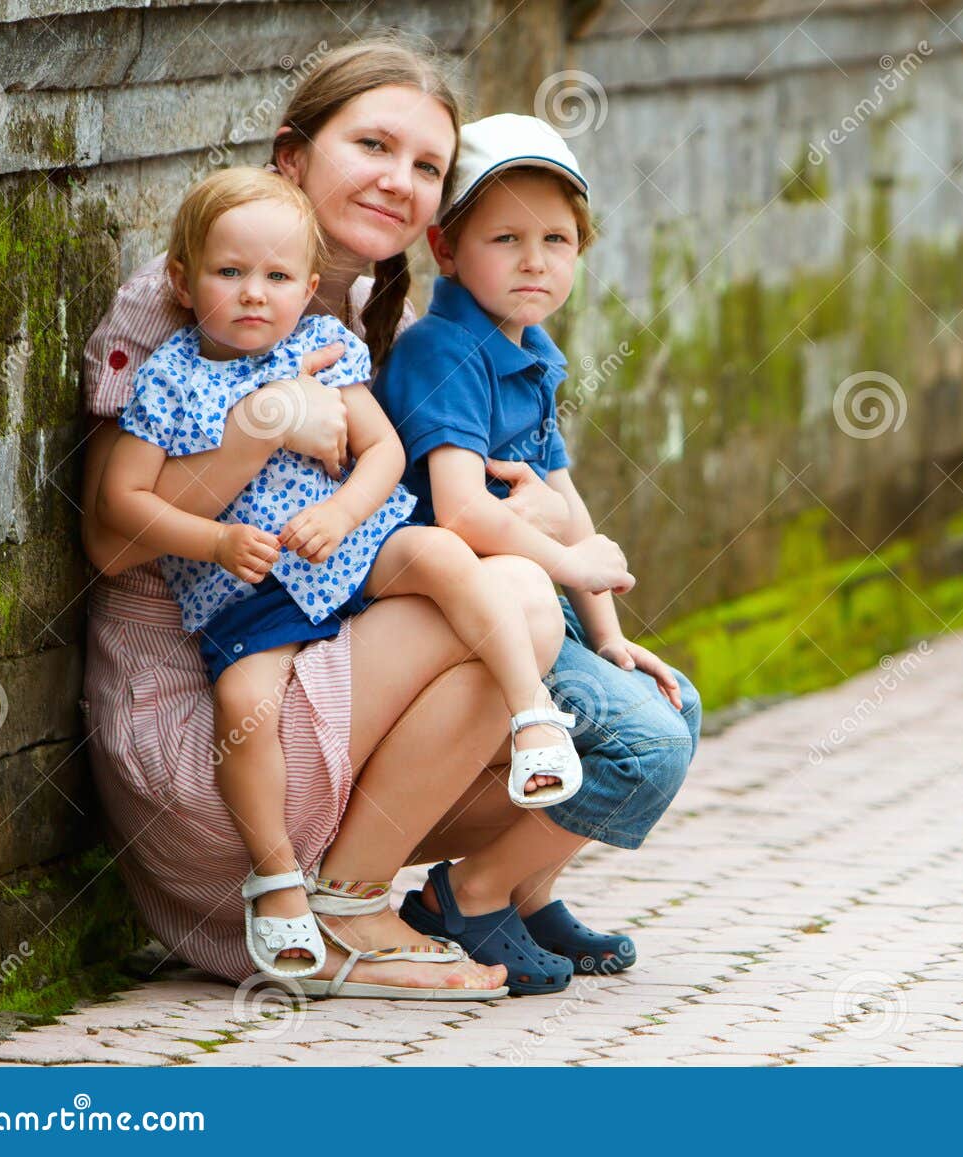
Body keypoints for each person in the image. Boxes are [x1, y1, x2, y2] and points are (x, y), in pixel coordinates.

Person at [78, 37, 654, 999]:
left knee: (596, 705)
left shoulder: (335, 310)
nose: (399, 180)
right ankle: (346, 908)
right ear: (293, 155)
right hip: (208, 734)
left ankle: (413, 891)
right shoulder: (190, 298)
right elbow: (110, 539)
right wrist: (260, 426)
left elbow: (389, 490)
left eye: (427, 166)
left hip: (308, 651)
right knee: (514, 602)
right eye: (373, 146)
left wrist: (550, 515)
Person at [374, 114, 701, 976]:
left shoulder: (530, 352)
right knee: (649, 746)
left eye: (557, 240)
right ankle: (467, 895)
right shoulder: (443, 352)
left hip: (543, 608)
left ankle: (530, 894)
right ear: (445, 248)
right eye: (507, 238)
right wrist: (566, 563)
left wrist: (609, 633)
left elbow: (562, 499)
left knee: (678, 706)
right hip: (478, 615)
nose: (535, 261)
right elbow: (458, 511)